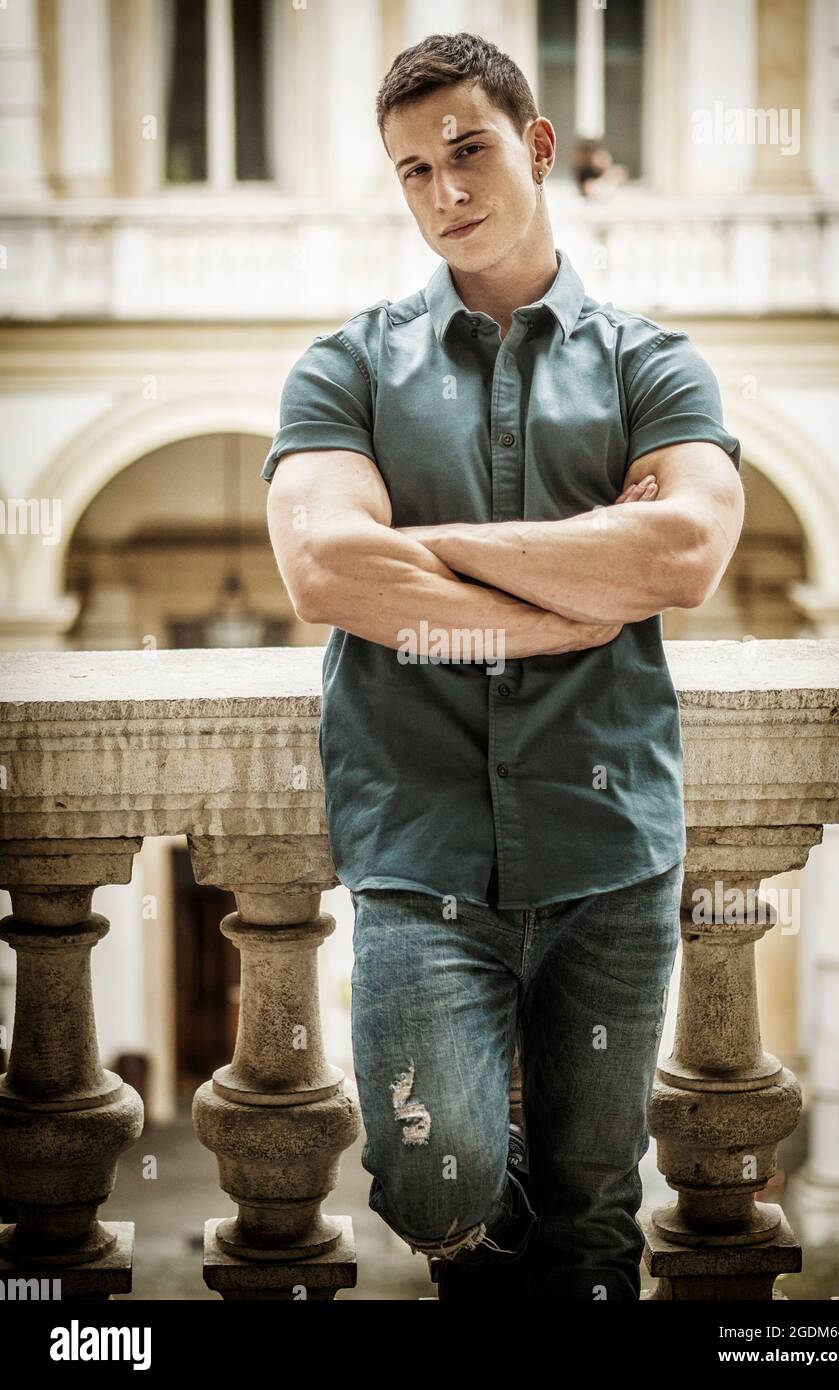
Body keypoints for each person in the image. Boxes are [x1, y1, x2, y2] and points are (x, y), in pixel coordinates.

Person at [262, 31, 745, 1300]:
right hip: (420, 853)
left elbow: (687, 548)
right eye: (413, 172)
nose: (444, 194)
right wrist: (575, 582)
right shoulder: (347, 367)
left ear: (536, 145)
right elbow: (324, 569)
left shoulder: (652, 362)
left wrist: (434, 548)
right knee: (440, 1181)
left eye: (467, 153)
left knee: (593, 1207)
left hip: (611, 846)